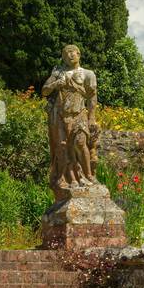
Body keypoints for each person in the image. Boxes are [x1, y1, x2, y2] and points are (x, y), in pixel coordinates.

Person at [41, 43, 99, 198]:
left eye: (72, 52)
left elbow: (92, 97)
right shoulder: (58, 72)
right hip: (60, 116)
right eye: (65, 54)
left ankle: (88, 175)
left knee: (80, 143)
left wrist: (92, 117)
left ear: (79, 54)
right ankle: (71, 179)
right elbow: (44, 91)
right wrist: (55, 84)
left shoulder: (88, 74)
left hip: (79, 113)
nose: (69, 55)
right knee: (63, 148)